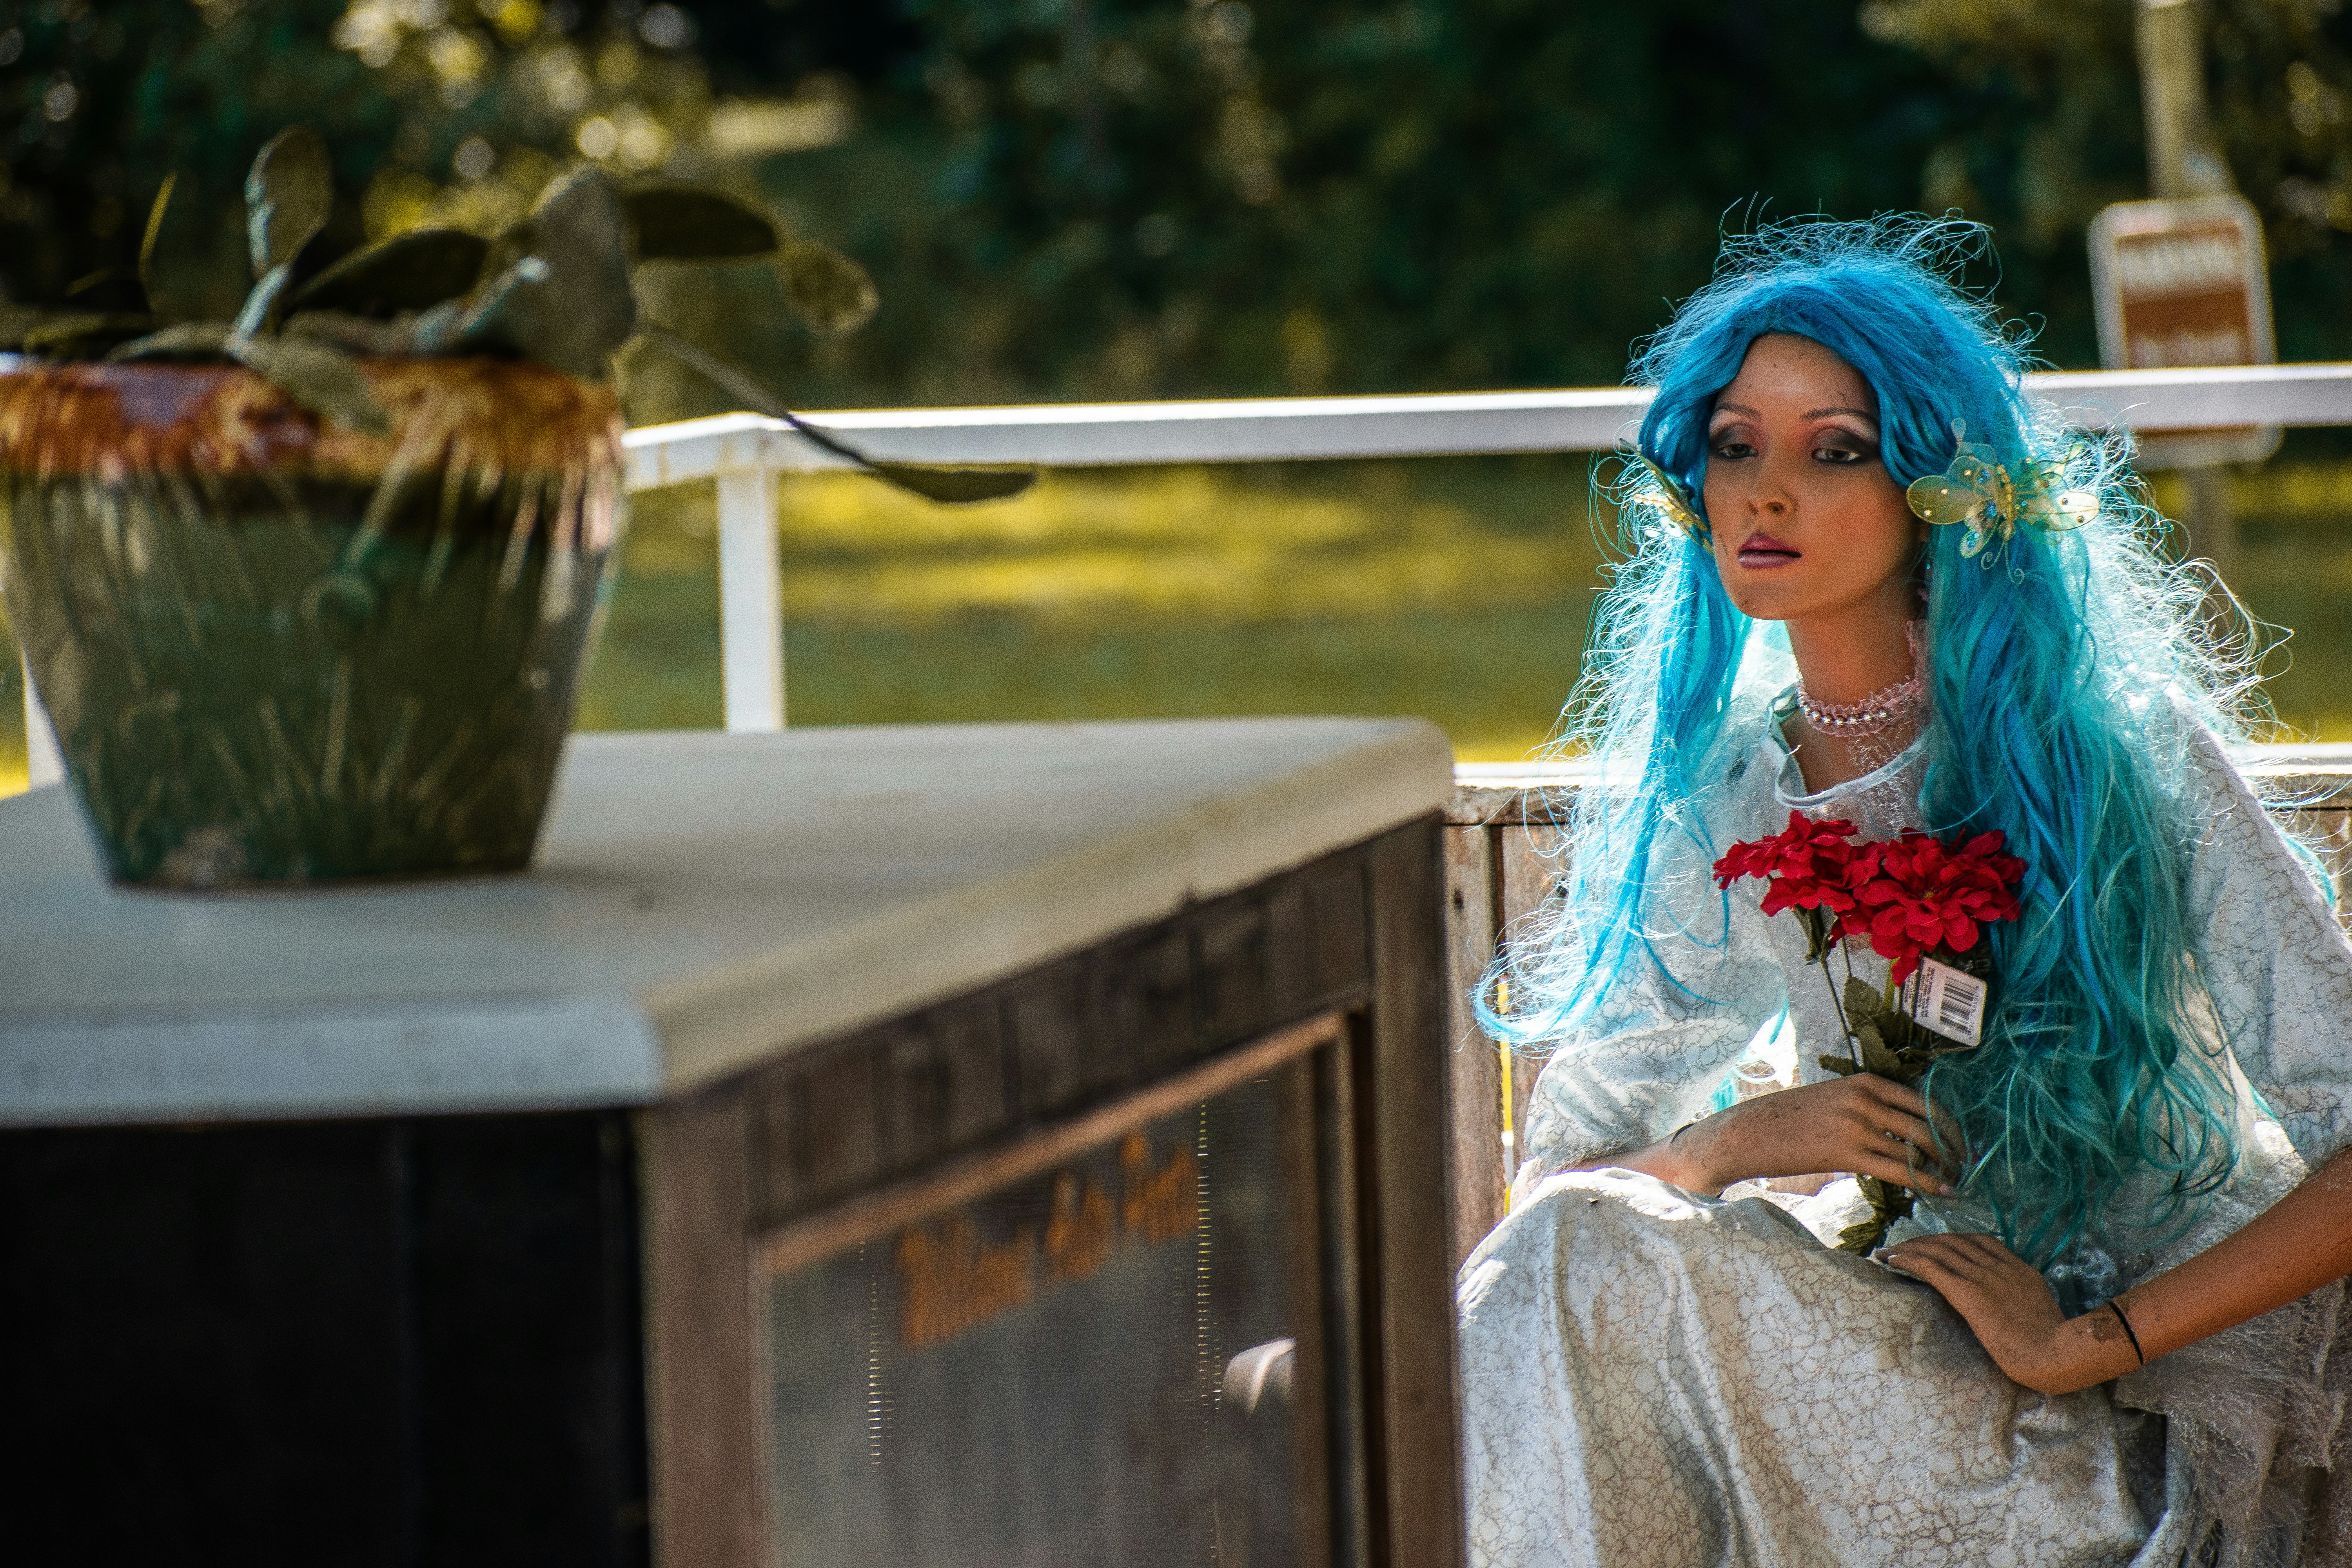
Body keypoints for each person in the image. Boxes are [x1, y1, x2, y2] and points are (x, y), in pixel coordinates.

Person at [1459, 219, 2352, 1568]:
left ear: (1944, 487)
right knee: (1567, 1257)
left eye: (1835, 451)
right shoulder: (1728, 791)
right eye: (1734, 446)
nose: (1765, 494)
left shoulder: (2126, 759)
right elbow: (1561, 1195)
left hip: (2114, 1393)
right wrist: (1734, 1144)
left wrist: (2087, 1340)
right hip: (1883, 1327)